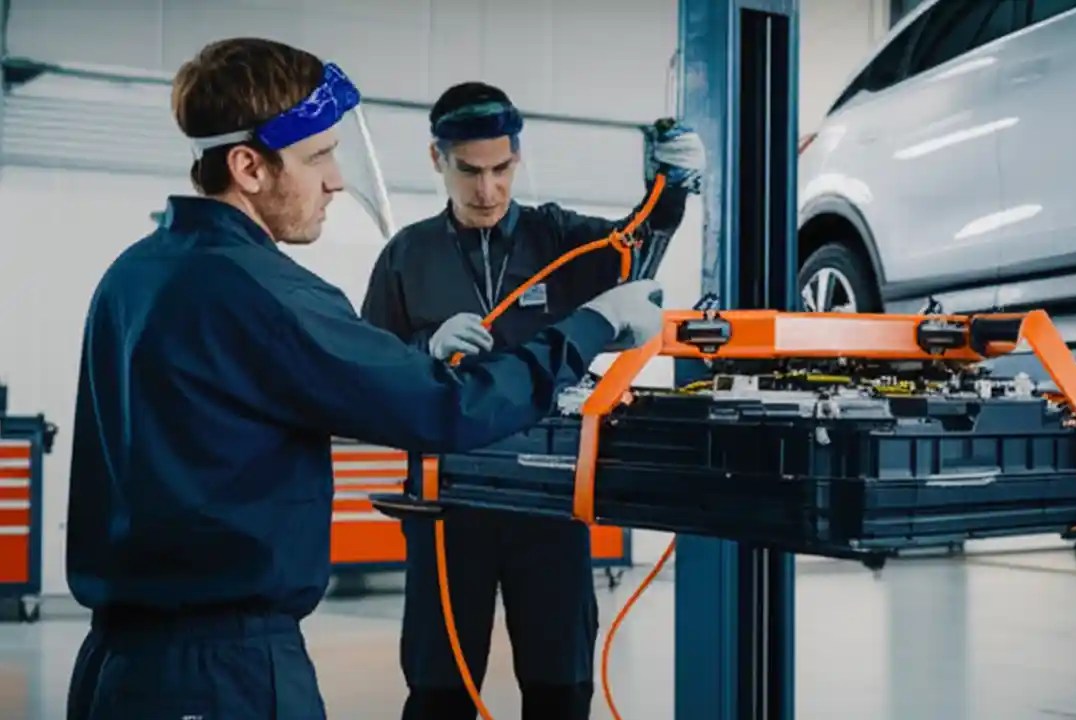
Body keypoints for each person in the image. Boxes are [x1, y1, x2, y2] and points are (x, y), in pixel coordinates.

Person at [62, 38, 665, 720]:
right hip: (224, 673)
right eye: (319, 155)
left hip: (118, 668)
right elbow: (447, 409)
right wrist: (590, 328)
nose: (336, 181)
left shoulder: (135, 273)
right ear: (248, 167)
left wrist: (670, 193)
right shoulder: (270, 293)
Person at [360, 81, 705, 719]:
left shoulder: (558, 238)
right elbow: (367, 371)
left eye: (501, 169)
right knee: (440, 690)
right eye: (469, 171)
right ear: (438, 160)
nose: (487, 190)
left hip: (549, 500)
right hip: (446, 505)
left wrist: (674, 187)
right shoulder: (406, 256)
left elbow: (637, 248)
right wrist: (421, 344)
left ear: (517, 157)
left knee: (560, 686)